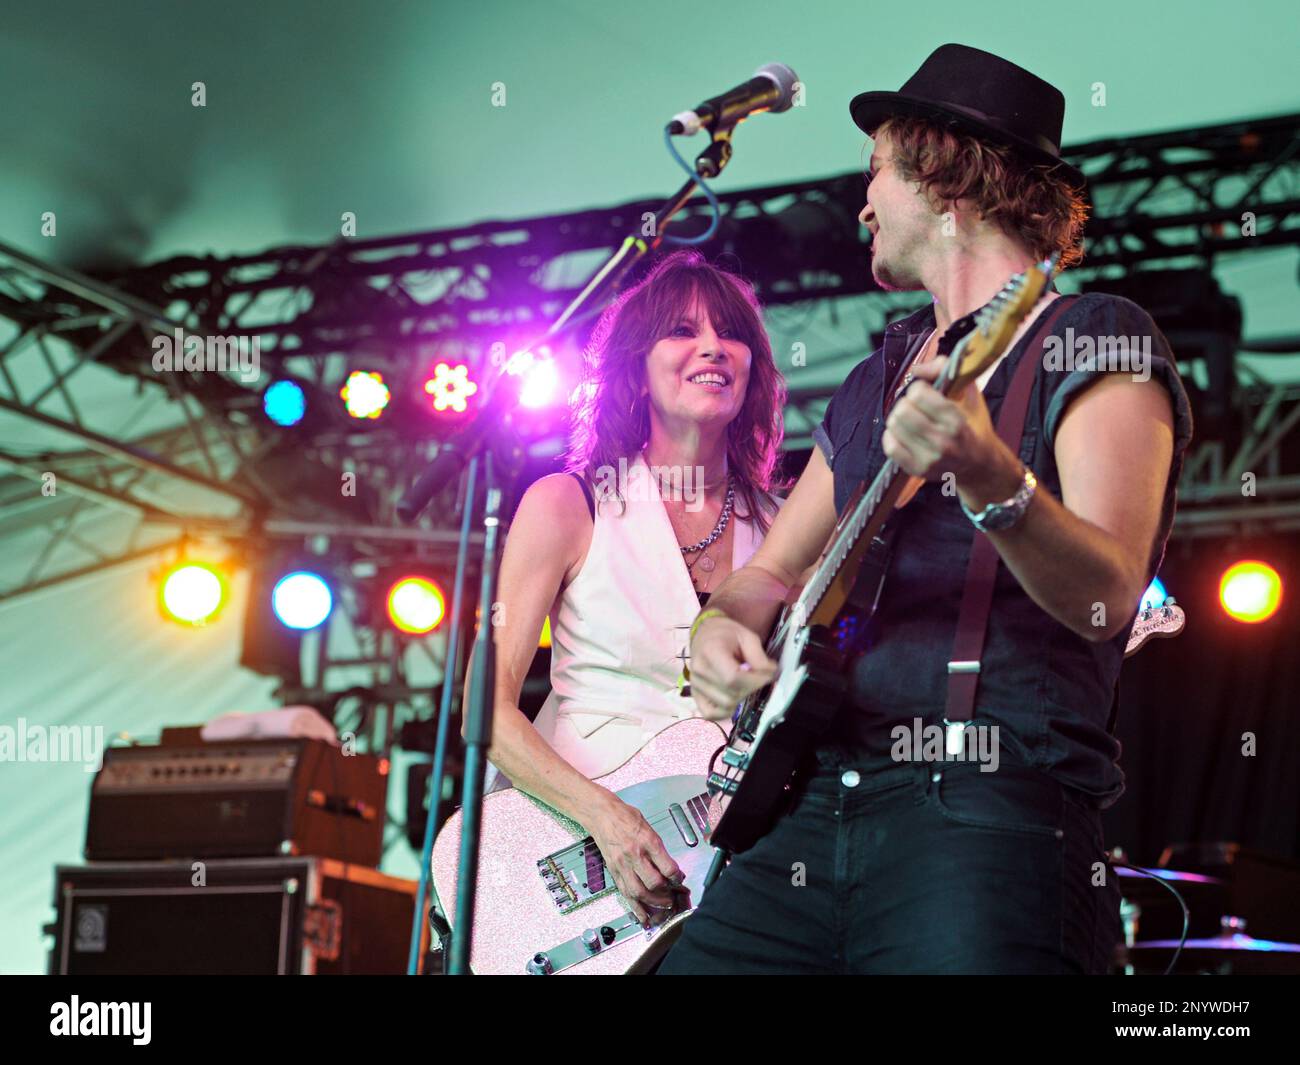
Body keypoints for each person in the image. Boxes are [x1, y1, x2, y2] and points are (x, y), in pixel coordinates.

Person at [660, 44, 1194, 974]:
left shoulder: (1094, 336)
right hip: (802, 809)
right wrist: (720, 628)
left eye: (876, 174)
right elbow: (769, 572)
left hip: (984, 814)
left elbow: (1109, 597)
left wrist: (990, 476)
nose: (861, 204)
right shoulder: (877, 378)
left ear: (945, 179)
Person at [471, 249, 787, 925]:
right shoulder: (567, 503)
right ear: (635, 370)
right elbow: (485, 711)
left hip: (728, 872)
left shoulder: (783, 528)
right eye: (682, 331)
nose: (713, 346)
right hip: (573, 864)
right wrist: (604, 818)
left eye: (732, 332)